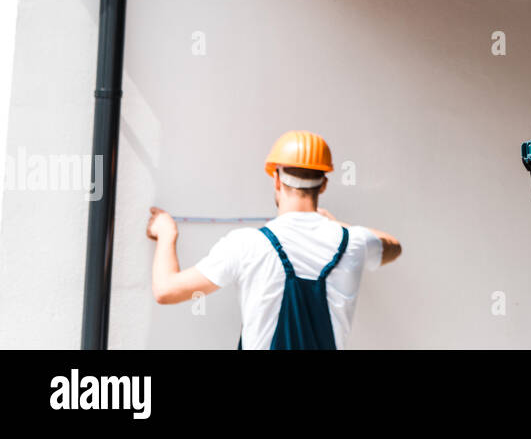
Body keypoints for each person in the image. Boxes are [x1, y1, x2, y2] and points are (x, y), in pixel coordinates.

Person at [146, 130, 401, 349]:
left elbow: (166, 290)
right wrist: (338, 225)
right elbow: (392, 246)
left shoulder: (246, 244)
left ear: (276, 179)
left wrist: (167, 234)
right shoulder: (353, 243)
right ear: (323, 184)